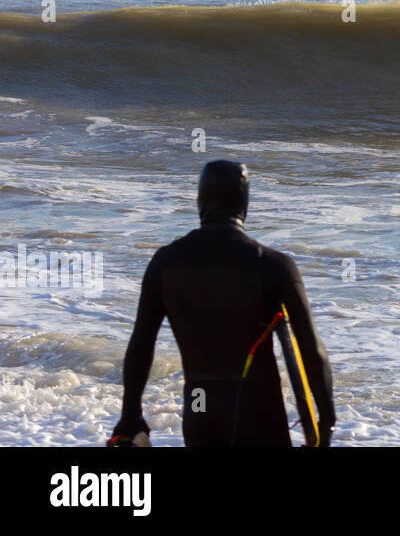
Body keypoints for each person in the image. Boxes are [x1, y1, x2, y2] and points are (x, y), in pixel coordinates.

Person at [109, 160, 336, 447]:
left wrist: (130, 414)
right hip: (257, 409)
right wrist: (325, 423)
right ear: (245, 202)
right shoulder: (274, 266)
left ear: (199, 201)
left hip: (200, 406)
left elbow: (141, 343)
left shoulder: (166, 263)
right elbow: (311, 351)